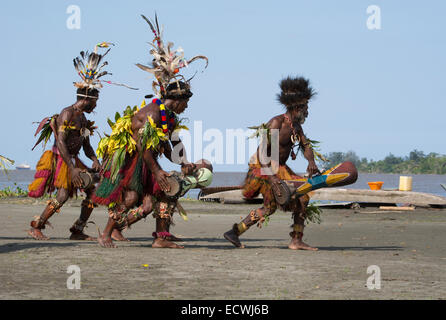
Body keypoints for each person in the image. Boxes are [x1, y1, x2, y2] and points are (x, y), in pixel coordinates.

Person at [93, 14, 208, 249]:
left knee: (158, 198)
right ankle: (106, 233)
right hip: (132, 160)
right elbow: (142, 146)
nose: (187, 106)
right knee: (132, 198)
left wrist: (184, 162)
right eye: (185, 101)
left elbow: (173, 142)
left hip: (148, 161)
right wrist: (157, 171)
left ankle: (160, 238)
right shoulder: (153, 114)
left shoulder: (170, 116)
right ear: (176, 99)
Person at [223, 76, 322, 250]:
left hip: (280, 169)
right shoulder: (276, 123)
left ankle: (296, 240)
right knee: (270, 207)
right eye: (306, 108)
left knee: (302, 197)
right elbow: (262, 152)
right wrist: (272, 177)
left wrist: (311, 162)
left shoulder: (297, 127)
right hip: (263, 169)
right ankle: (234, 232)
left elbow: (306, 145)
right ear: (297, 107)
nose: (307, 112)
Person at [27, 43, 114, 240]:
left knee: (93, 192)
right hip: (62, 159)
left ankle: (77, 229)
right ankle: (37, 226)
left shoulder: (83, 118)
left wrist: (94, 159)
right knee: (63, 195)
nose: (96, 105)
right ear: (88, 98)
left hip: (74, 160)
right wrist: (72, 168)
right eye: (95, 101)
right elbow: (61, 143)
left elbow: (86, 144)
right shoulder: (67, 113)